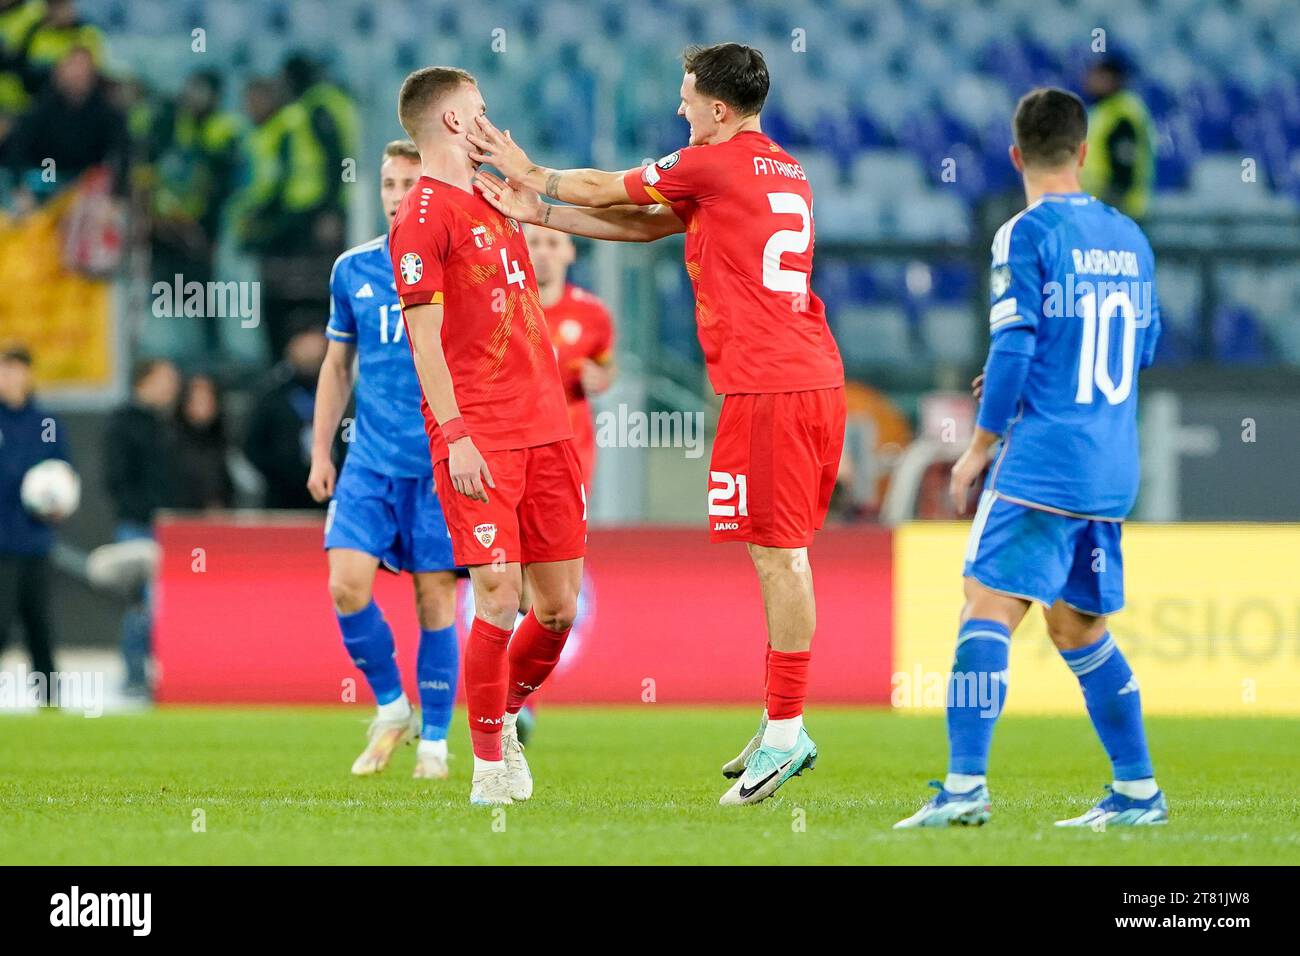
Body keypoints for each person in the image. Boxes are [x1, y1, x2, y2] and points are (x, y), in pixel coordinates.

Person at [469, 42, 845, 806]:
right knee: (776, 553)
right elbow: (645, 225)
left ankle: (787, 728)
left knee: (780, 555)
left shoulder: (712, 161)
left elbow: (614, 188)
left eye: (686, 97)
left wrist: (529, 169)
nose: (679, 108)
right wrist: (541, 213)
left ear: (716, 108)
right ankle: (779, 719)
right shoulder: (781, 168)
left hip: (774, 383)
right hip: (798, 373)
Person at [894, 88, 1166, 829]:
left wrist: (979, 446)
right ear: (1082, 152)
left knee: (985, 605)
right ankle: (1139, 792)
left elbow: (1013, 344)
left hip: (1046, 459)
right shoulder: (1130, 236)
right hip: (1112, 463)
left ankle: (962, 788)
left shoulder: (1023, 234)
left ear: (1017, 156)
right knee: (1077, 627)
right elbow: (1143, 346)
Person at [389, 66, 586, 806]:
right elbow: (426, 341)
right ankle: (489, 766)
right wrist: (457, 434)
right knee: (498, 593)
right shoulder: (422, 215)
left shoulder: (496, 197)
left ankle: (501, 712)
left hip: (548, 431)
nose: (489, 123)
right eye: (479, 112)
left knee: (558, 607)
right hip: (482, 438)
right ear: (449, 123)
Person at [307, 139, 460, 780]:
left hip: (439, 464)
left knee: (435, 603)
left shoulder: (460, 269)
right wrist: (322, 450)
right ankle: (393, 707)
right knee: (346, 583)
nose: (398, 197)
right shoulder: (353, 270)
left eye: (410, 185)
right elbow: (338, 363)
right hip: (369, 461)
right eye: (389, 184)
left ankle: (436, 743)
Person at [104, 357, 181, 697]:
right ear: (143, 381)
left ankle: (163, 672)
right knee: (143, 601)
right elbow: (116, 478)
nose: (172, 387)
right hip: (138, 525)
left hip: (173, 529)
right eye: (165, 380)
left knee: (166, 603)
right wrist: (145, 511)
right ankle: (135, 674)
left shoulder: (168, 423)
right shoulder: (124, 422)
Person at [0, 344, 66, 704]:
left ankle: (50, 699)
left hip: (36, 540)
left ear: (28, 374)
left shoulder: (46, 424)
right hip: (1, 542)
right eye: (4, 370)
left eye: (15, 369)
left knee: (39, 625)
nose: (9, 377)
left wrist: (57, 502)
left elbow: (60, 472)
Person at [526, 225, 615, 491]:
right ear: (520, 250)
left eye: (552, 243)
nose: (542, 252)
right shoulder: (501, 308)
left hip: (570, 446)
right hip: (515, 444)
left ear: (569, 252)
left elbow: (606, 365)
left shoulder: (592, 313)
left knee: (566, 531)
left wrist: (600, 379)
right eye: (534, 243)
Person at [243, 324, 328, 510]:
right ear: (291, 347)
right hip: (282, 498)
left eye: (315, 347)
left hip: (328, 493)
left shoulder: (336, 395)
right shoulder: (271, 395)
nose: (311, 354)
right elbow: (251, 446)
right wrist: (279, 473)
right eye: (304, 347)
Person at [1080, 54, 1155, 221]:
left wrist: (1113, 204)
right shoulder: (1103, 110)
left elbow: (1124, 164)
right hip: (1100, 205)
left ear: (1113, 79)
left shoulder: (1121, 113)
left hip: (1118, 208)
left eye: (1098, 76)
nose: (1090, 80)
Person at [174, 373, 234, 511]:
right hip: (181, 517)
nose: (204, 406)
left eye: (208, 400)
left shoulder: (223, 440)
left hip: (217, 519)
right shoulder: (169, 439)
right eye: (198, 400)